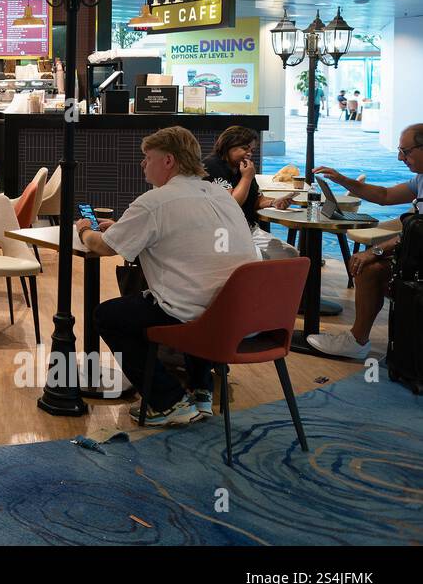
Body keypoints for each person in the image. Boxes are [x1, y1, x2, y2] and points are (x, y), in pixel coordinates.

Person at [80, 126, 257, 426]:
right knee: (198, 287)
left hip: (194, 312)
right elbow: (185, 233)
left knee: (109, 316)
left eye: (148, 157)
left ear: (168, 161)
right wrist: (125, 227)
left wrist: (84, 230)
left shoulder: (155, 201)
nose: (142, 164)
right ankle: (200, 391)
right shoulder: (221, 194)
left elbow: (104, 247)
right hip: (241, 313)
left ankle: (167, 401)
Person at [309, 123, 423, 359]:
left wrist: (376, 251)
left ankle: (359, 341)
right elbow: (385, 196)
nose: (400, 158)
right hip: (416, 254)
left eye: (406, 151)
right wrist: (342, 180)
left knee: (369, 268)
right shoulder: (420, 178)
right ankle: (361, 339)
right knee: (369, 269)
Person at [204, 125, 299, 259]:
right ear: (228, 146)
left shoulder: (243, 167)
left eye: (252, 150)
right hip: (223, 233)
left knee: (290, 255)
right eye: (245, 148)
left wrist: (274, 203)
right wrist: (247, 177)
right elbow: (232, 204)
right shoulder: (212, 166)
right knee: (262, 259)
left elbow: (257, 199)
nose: (249, 153)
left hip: (248, 229)